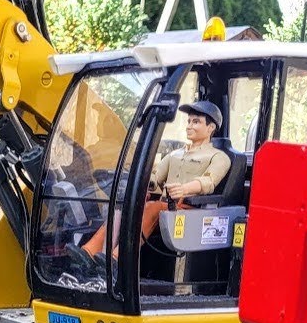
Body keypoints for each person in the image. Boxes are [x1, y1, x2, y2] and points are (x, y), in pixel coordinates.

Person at [68, 101, 231, 270]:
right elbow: (155, 177)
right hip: (167, 206)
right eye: (189, 121)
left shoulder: (218, 157)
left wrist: (185, 189)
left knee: (153, 207)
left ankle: (118, 259)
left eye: (196, 122)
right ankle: (88, 253)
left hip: (191, 212)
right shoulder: (175, 154)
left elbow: (208, 182)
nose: (189, 126)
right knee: (124, 207)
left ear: (211, 127)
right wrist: (141, 187)